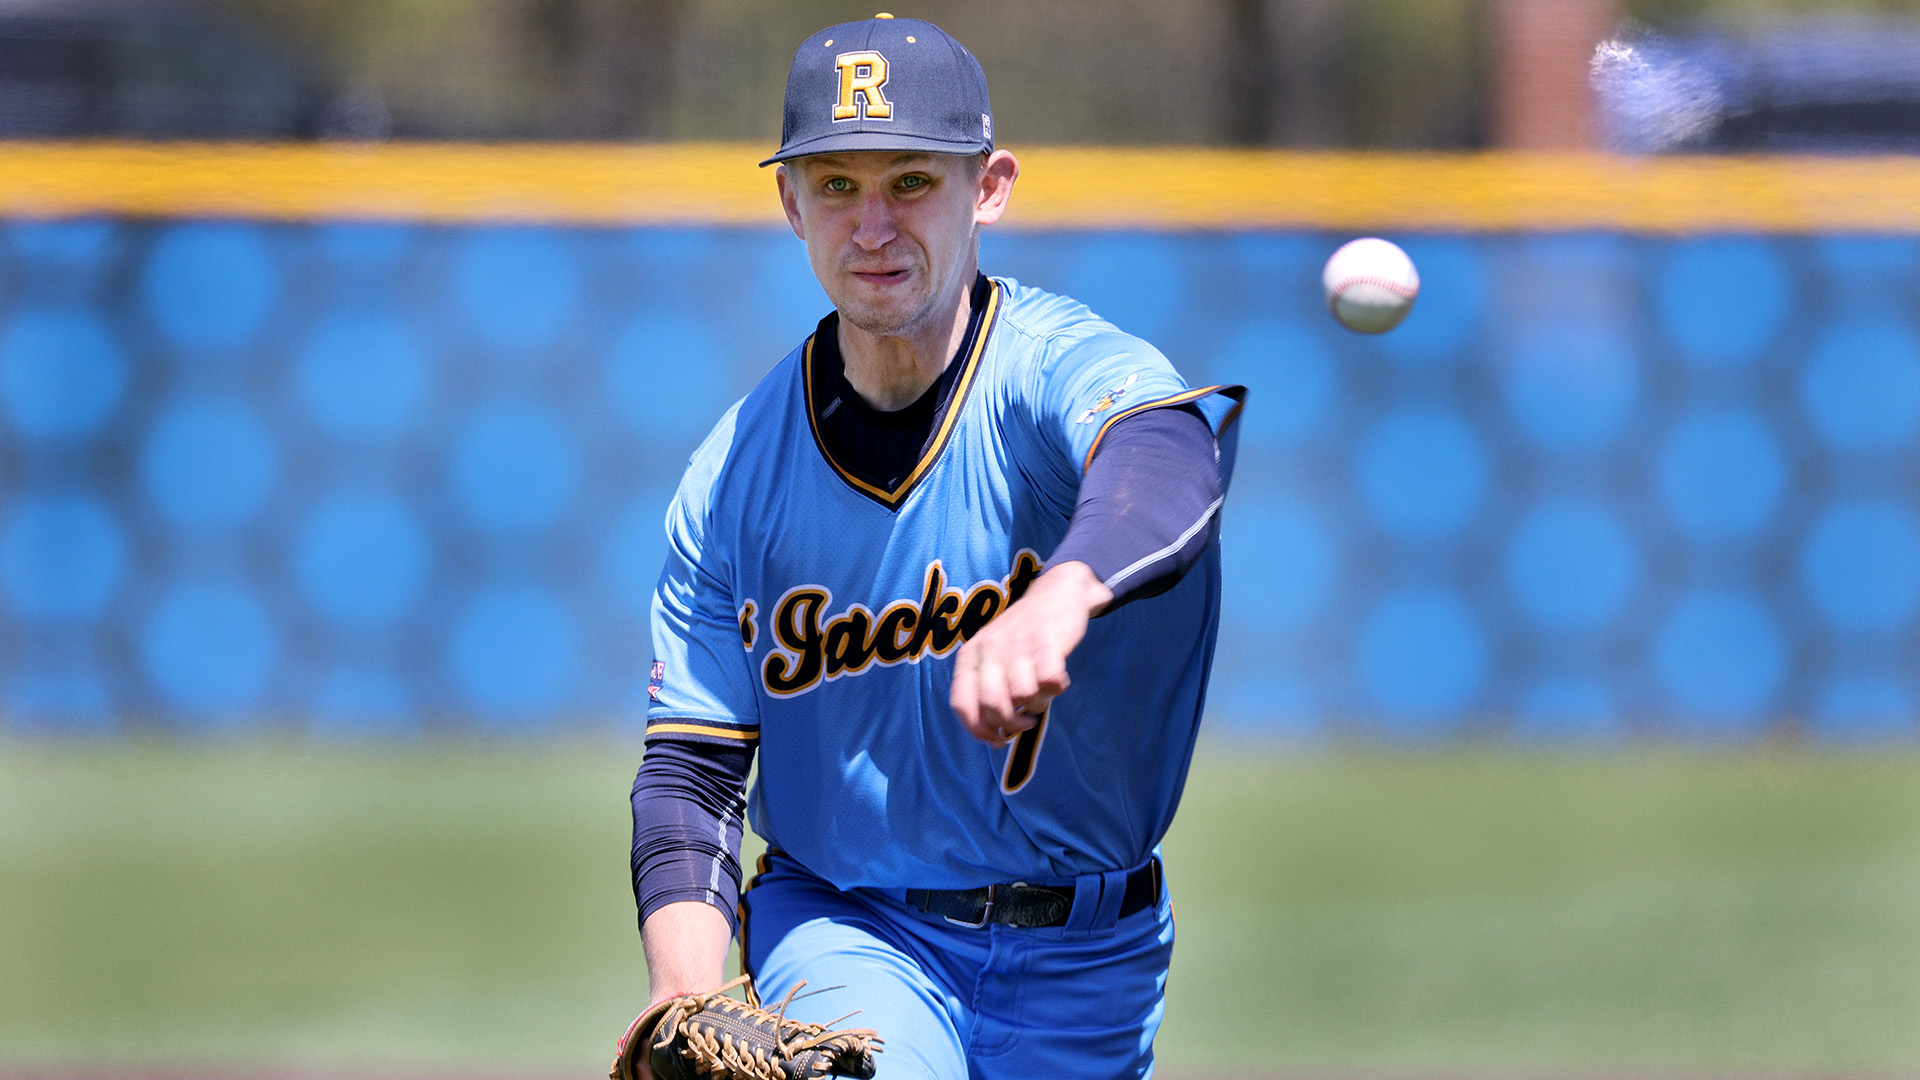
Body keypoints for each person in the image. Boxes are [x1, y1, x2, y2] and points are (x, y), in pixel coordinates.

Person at [629, 13, 1243, 1079]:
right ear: (790, 203)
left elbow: (1169, 456)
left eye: (910, 182)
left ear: (988, 187)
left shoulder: (1052, 368)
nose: (871, 226)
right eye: (835, 186)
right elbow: (694, 766)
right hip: (852, 932)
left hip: (1094, 958)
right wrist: (685, 990)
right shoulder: (732, 476)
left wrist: (1064, 592)